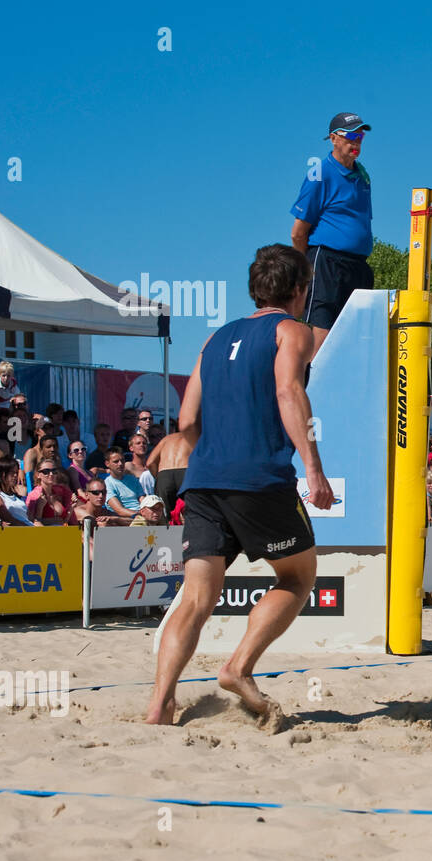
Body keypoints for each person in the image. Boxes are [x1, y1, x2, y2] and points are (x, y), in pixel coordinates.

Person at [148, 243, 333, 726]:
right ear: (298, 289)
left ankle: (160, 704)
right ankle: (237, 667)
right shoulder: (291, 332)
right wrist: (313, 468)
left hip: (203, 479)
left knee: (195, 599)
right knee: (297, 577)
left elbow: (187, 419)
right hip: (258, 477)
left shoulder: (213, 340)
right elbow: (288, 391)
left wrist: (212, 450)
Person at [290, 111, 374, 357]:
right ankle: (311, 390)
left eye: (360, 135)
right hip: (325, 261)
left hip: (358, 264)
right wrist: (304, 270)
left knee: (355, 336)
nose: (356, 141)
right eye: (350, 135)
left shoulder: (363, 175)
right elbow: (298, 233)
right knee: (322, 334)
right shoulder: (320, 173)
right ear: (334, 138)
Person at [145, 431, 193, 515]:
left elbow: (150, 463)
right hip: (185, 471)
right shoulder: (195, 436)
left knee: (164, 515)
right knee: (191, 511)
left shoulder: (166, 439)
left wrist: (159, 478)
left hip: (164, 474)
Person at [26, 455, 73, 525]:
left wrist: (71, 508)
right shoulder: (35, 495)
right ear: (38, 475)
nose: (51, 474)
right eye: (46, 471)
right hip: (45, 534)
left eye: (54, 471)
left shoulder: (59, 491)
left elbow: (63, 521)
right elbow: (30, 521)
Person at [103, 448, 145, 518]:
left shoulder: (133, 479)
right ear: (107, 464)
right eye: (116, 461)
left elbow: (142, 500)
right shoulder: (107, 484)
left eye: (122, 460)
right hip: (124, 518)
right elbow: (119, 510)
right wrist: (140, 515)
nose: (120, 464)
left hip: (141, 515)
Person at [0, 457, 32, 525]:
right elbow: (8, 518)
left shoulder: (18, 496)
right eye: (12, 473)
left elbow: (31, 518)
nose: (15, 475)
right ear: (2, 474)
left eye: (16, 472)